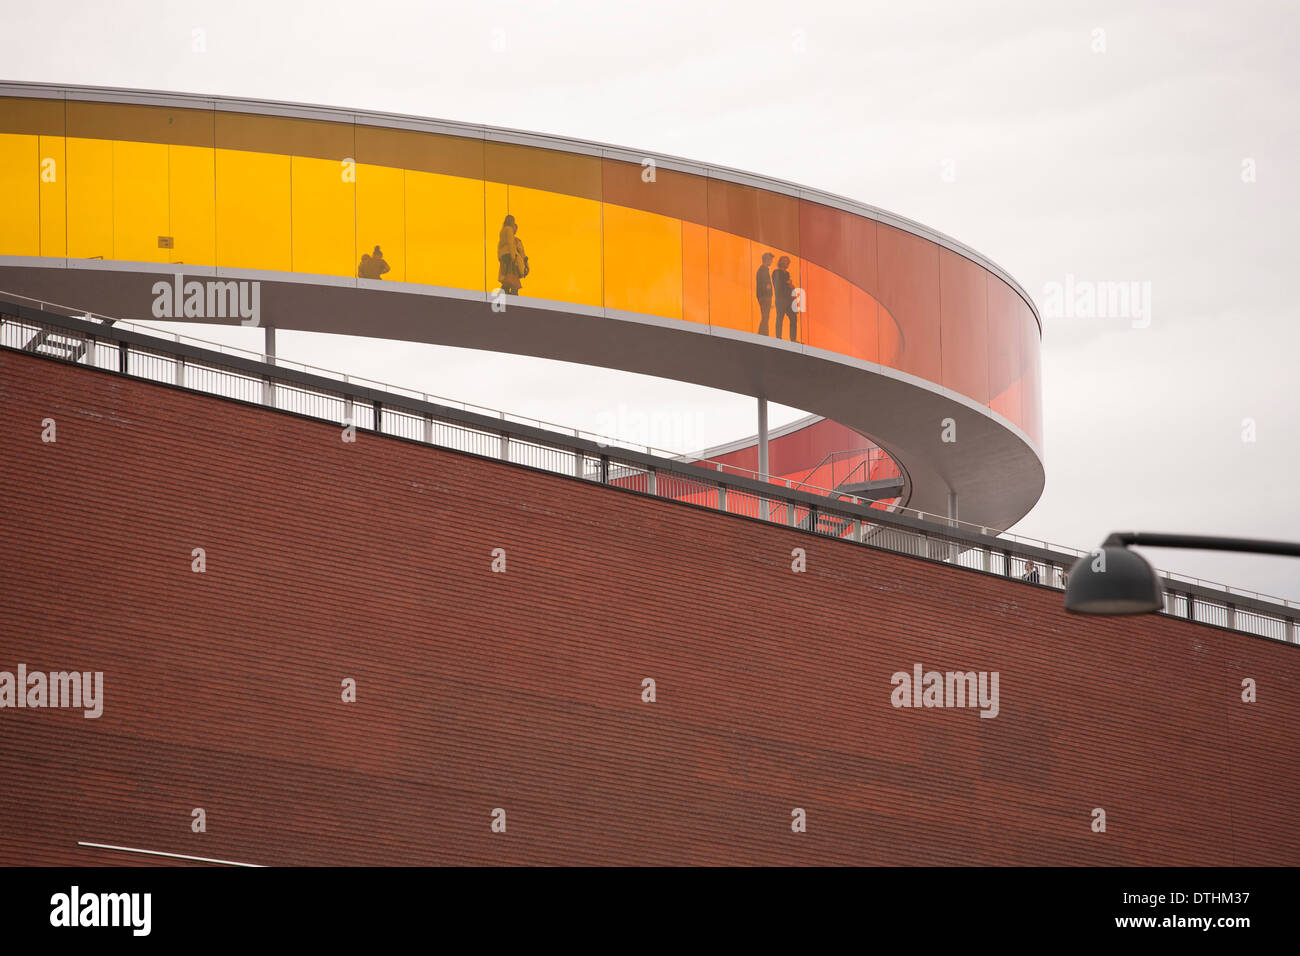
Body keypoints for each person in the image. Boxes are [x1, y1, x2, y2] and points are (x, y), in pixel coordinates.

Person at [497, 215, 528, 295]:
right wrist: (514, 257)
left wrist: (499, 257)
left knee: (508, 277)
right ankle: (513, 295)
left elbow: (499, 245)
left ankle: (504, 293)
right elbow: (510, 244)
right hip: (510, 255)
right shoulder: (509, 230)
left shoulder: (502, 231)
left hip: (503, 256)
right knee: (513, 277)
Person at [772, 255, 797, 341]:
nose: (787, 263)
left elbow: (788, 286)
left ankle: (793, 339)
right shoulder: (776, 272)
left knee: (793, 318)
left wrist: (791, 286)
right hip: (781, 299)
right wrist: (787, 283)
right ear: (781, 261)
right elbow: (777, 285)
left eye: (788, 261)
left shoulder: (787, 273)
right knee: (780, 318)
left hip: (789, 299)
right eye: (785, 260)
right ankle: (778, 338)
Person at [755, 252, 774, 335]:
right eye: (771, 260)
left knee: (765, 316)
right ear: (767, 259)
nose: (772, 261)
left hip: (764, 297)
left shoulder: (763, 270)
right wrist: (767, 295)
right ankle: (763, 334)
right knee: (765, 317)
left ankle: (763, 333)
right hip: (765, 297)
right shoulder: (763, 270)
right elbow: (765, 285)